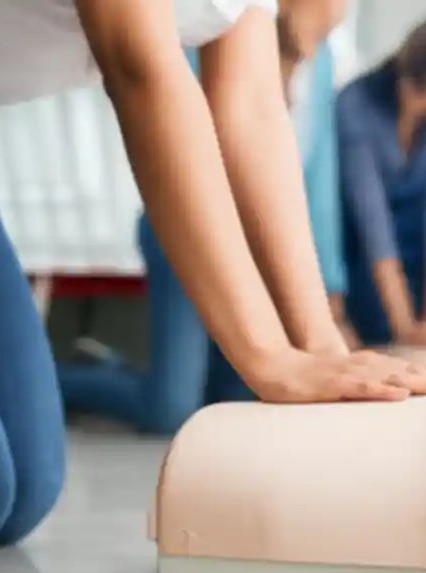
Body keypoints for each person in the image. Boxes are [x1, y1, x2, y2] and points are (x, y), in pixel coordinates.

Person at [0, 0, 426, 566]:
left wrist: (321, 348)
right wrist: (268, 359)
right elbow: (141, 68)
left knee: (22, 494)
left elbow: (250, 107)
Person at [58, 2, 358, 435]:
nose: (324, 32)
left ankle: (117, 363)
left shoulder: (320, 62)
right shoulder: (206, 24)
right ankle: (65, 375)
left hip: (258, 241)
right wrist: (271, 353)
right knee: (170, 411)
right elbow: (147, 79)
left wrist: (326, 320)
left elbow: (319, 179)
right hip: (187, 223)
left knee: (239, 399)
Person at [337, 19, 426, 349]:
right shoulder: (355, 105)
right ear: (407, 81)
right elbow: (373, 221)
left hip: (419, 218)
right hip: (367, 231)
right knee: (379, 315)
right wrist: (406, 328)